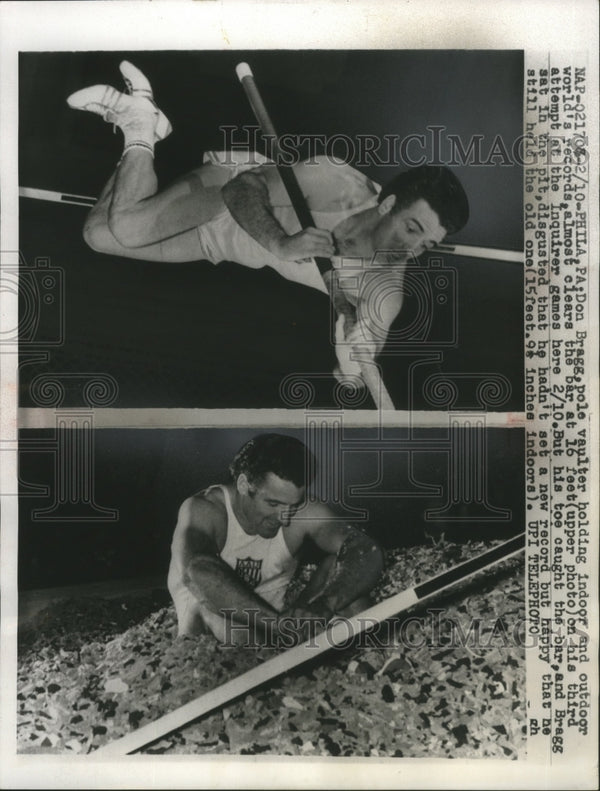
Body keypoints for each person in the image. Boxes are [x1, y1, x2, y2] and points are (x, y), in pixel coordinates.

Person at [67, 60, 469, 382]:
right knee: (132, 228)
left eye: (426, 245)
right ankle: (139, 118)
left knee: (98, 234)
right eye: (413, 229)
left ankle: (139, 130)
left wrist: (352, 358)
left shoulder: (387, 292)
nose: (412, 250)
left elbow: (353, 370)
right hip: (232, 192)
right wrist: (283, 245)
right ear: (389, 204)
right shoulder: (336, 182)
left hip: (228, 245)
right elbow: (241, 191)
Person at [166, 433, 384, 645]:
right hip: (223, 627)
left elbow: (363, 547)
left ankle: (377, 668)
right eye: (273, 504)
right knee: (214, 611)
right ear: (244, 485)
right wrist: (277, 624)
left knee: (340, 571)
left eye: (293, 505)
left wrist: (326, 604)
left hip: (279, 624)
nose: (285, 517)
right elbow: (197, 571)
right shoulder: (206, 510)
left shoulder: (301, 510)